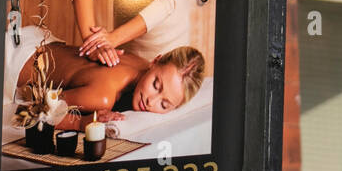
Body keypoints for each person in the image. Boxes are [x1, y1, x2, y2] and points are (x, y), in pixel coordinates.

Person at [16, 41, 206, 131]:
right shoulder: (104, 96)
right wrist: (80, 123)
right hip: (15, 61)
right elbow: (33, 110)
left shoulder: (141, 64)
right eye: (156, 85)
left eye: (164, 105)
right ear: (155, 61)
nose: (151, 101)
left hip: (42, 40)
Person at [70, 0, 194, 66]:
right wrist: (92, 42)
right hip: (124, 51)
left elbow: (168, 0)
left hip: (169, 53)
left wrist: (112, 38)